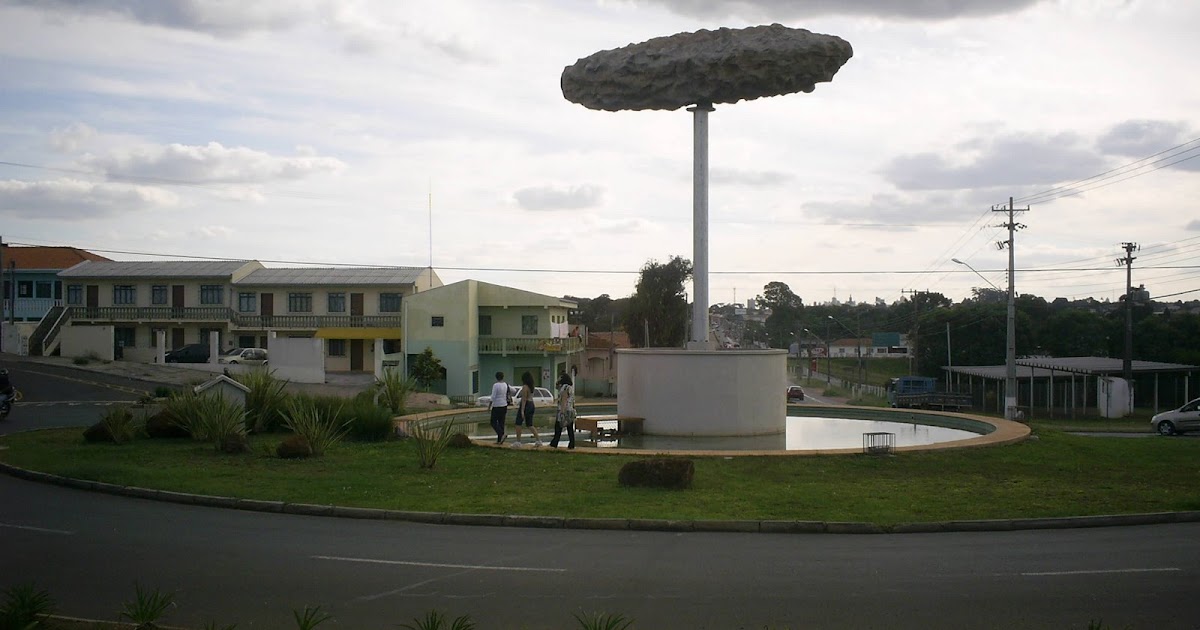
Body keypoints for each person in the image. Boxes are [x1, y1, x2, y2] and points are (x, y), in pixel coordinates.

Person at [511, 371, 543, 448]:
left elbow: (524, 399)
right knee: (530, 424)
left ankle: (518, 441)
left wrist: (522, 410)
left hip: (526, 405)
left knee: (518, 423)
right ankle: (538, 440)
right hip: (532, 404)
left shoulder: (525, 387)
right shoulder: (531, 387)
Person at [550, 371, 576, 449]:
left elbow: (564, 399)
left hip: (564, 410)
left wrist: (562, 411)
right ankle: (571, 444)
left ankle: (554, 443)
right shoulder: (570, 387)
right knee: (569, 428)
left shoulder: (564, 387)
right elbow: (556, 387)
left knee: (558, 427)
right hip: (570, 410)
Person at [488, 371, 513, 444]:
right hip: (504, 405)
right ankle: (499, 440)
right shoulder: (505, 385)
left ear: (496, 377)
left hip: (497, 406)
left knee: (493, 422)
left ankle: (501, 434)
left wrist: (489, 406)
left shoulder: (496, 385)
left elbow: (493, 396)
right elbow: (513, 390)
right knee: (501, 422)